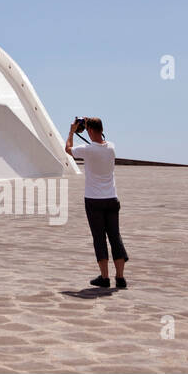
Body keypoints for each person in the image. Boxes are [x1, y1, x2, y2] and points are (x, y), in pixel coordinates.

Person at [65, 116, 129, 288]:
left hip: (94, 199)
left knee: (99, 238)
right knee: (115, 237)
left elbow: (68, 149)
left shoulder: (87, 150)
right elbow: (103, 141)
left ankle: (105, 277)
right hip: (112, 198)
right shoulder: (111, 147)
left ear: (90, 130)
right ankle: (121, 278)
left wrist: (72, 131)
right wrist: (90, 124)